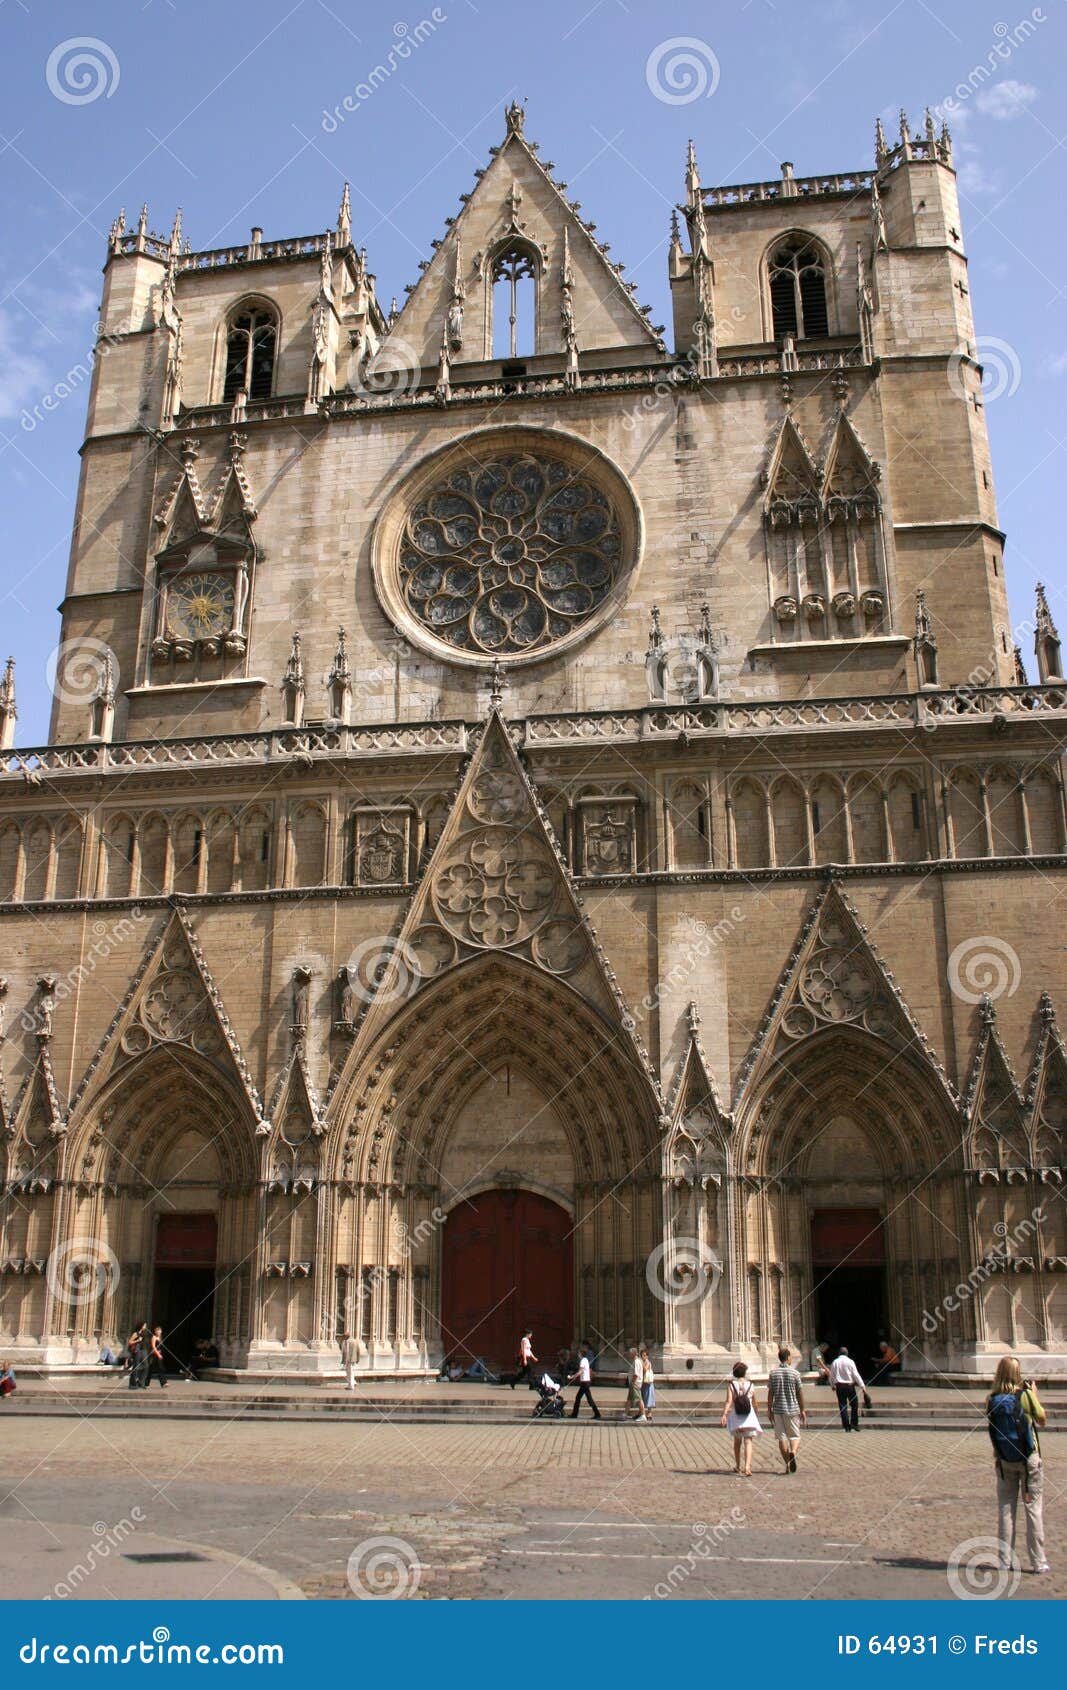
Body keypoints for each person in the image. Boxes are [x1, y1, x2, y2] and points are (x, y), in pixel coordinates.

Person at [986, 1355, 1049, 1575]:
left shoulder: (991, 1399)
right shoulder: (1024, 1396)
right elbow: (1042, 1419)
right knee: (1033, 1510)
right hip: (1029, 1460)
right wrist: (1034, 1396)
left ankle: (1004, 1561)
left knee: (1006, 1510)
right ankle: (1038, 1562)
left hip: (1004, 1460)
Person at [766, 1344, 806, 1472]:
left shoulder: (773, 1373)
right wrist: (802, 1409)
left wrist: (769, 1410)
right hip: (793, 1409)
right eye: (791, 1357)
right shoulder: (795, 1373)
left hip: (778, 1410)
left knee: (781, 1438)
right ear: (788, 1358)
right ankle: (793, 1451)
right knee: (795, 1436)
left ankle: (787, 1465)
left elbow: (770, 1394)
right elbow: (799, 1393)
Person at [722, 1360, 761, 1475]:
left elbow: (729, 1402)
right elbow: (754, 1402)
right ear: (744, 1372)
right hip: (748, 1416)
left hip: (737, 1415)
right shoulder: (751, 1385)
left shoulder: (731, 1385)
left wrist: (724, 1414)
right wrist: (756, 1412)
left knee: (737, 1441)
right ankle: (747, 1467)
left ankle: (738, 1465)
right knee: (748, 1441)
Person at [828, 1346, 864, 1431]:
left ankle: (846, 1426)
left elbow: (831, 1375)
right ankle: (854, 1424)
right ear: (847, 1353)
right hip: (849, 1385)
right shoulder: (850, 1361)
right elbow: (855, 1374)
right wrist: (862, 1385)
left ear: (839, 1353)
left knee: (842, 1405)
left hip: (840, 1386)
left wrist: (832, 1385)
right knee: (854, 1404)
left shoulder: (835, 1362)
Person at [568, 1342, 601, 1419]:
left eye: (578, 1353)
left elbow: (581, 1371)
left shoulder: (583, 1360)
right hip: (585, 1382)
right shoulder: (585, 1360)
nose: (578, 1355)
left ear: (581, 1354)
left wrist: (573, 1376)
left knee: (587, 1399)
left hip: (585, 1383)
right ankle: (575, 1414)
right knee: (579, 1398)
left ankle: (597, 1414)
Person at [626, 1347, 646, 1422]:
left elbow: (636, 1374)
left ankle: (643, 1415)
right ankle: (625, 1414)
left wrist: (632, 1382)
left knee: (639, 1399)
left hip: (635, 1384)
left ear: (633, 1354)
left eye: (629, 1353)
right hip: (634, 1383)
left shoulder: (637, 1362)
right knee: (629, 1399)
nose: (628, 1355)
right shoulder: (636, 1361)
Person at [143, 1325, 167, 1389]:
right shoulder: (154, 1337)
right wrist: (158, 1354)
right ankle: (146, 1384)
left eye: (159, 1330)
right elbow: (153, 1347)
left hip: (158, 1355)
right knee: (150, 1370)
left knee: (161, 1368)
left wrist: (160, 1352)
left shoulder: (160, 1338)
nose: (158, 1331)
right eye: (157, 1330)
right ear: (155, 1331)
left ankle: (163, 1383)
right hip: (154, 1355)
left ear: (161, 1331)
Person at [639, 1346, 656, 1424]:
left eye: (645, 1355)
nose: (643, 1356)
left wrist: (642, 1363)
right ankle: (642, 1412)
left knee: (649, 1397)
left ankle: (649, 1413)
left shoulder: (647, 1362)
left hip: (648, 1383)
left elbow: (645, 1369)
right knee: (643, 1397)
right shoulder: (642, 1362)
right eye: (642, 1355)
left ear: (647, 1356)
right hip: (644, 1382)